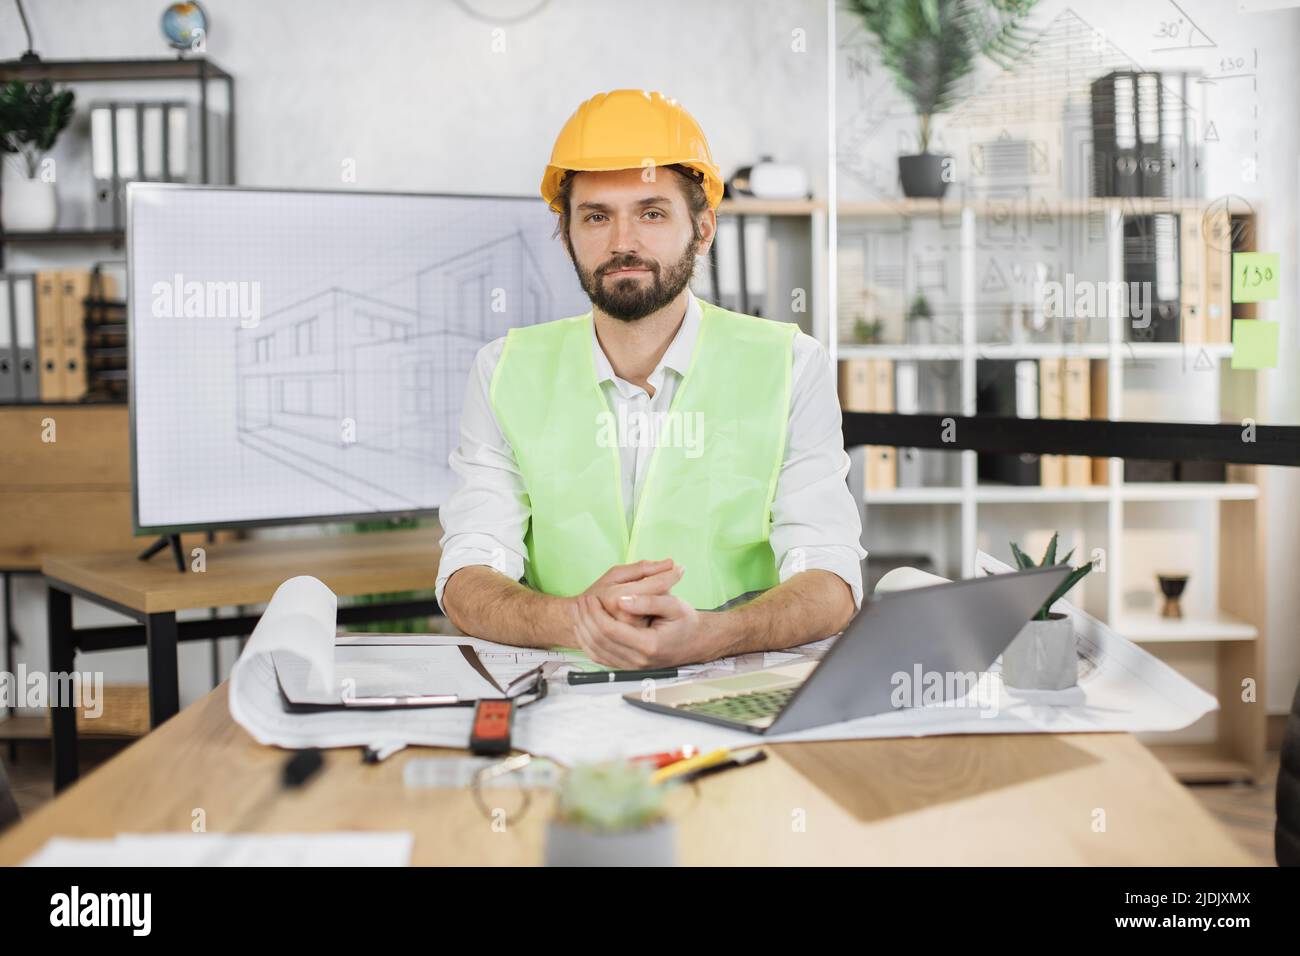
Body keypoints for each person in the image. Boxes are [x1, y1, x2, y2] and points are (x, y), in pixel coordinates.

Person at [437, 89, 865, 668]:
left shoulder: (791, 365)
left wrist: (715, 635)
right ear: (566, 234)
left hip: (732, 684)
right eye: (595, 217)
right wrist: (580, 621)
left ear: (703, 228)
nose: (623, 242)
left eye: (652, 212)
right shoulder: (503, 370)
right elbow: (468, 573)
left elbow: (831, 576)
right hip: (560, 687)